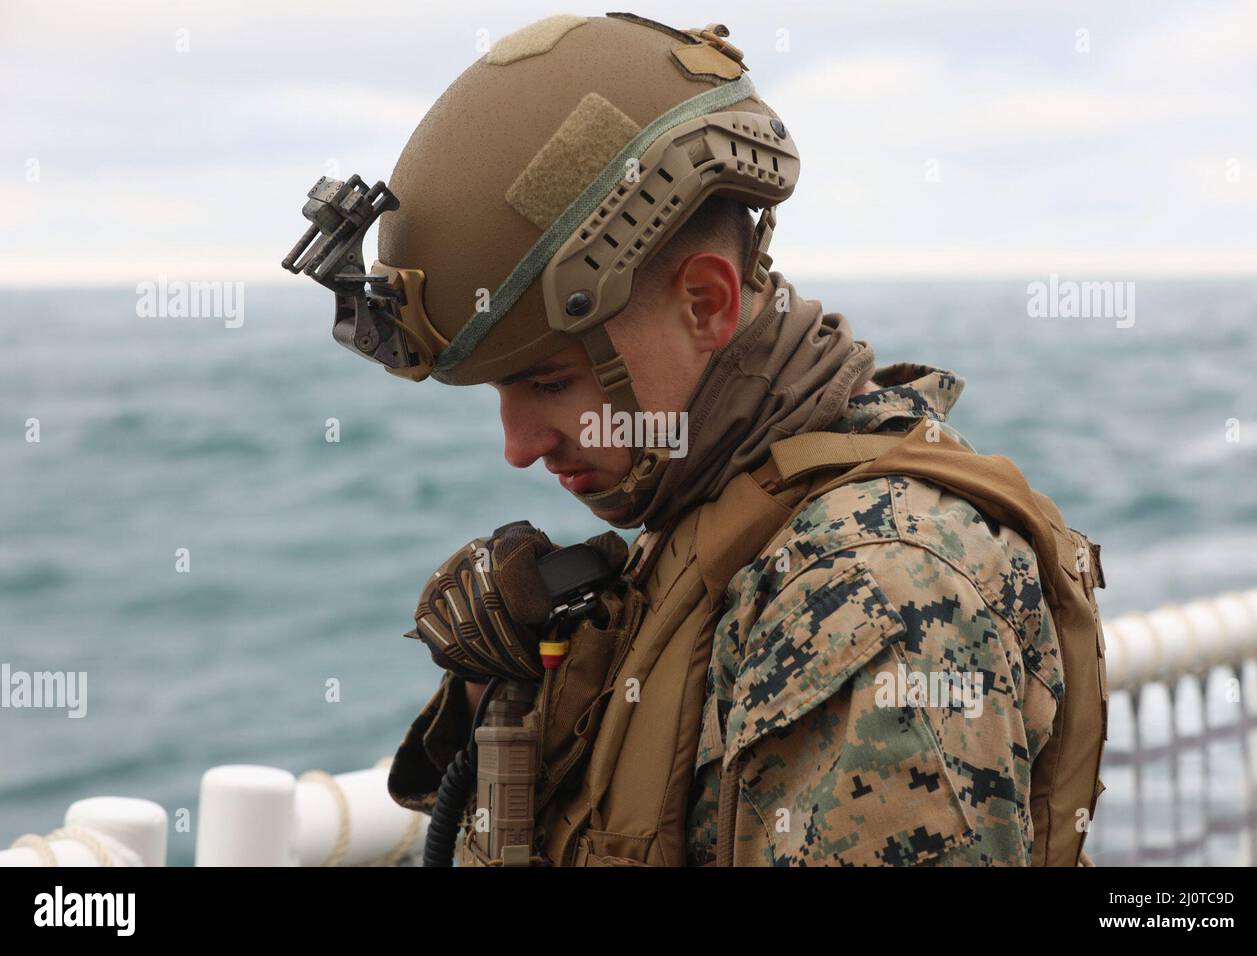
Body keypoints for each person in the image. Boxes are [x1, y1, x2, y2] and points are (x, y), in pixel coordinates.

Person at [285, 13, 1107, 866]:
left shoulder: (877, 590)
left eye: (547, 382)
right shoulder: (723, 507)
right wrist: (516, 693)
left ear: (706, 304)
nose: (519, 446)